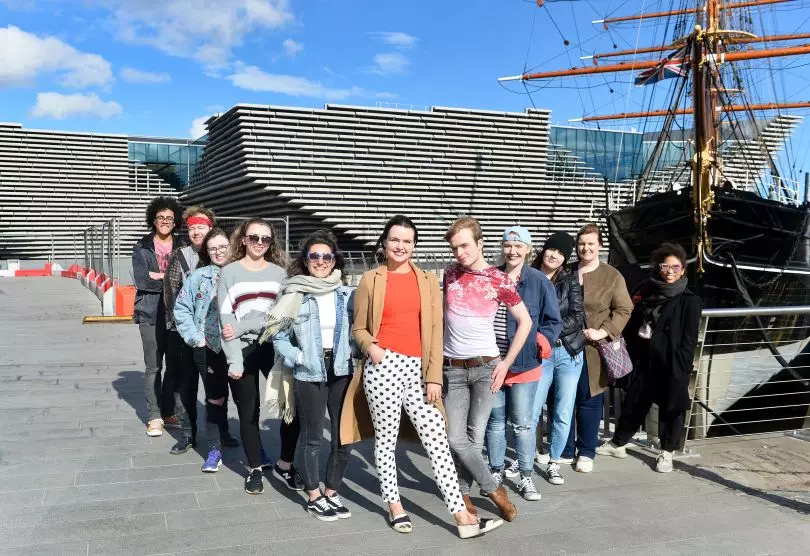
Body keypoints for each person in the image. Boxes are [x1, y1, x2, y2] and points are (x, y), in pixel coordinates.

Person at [345, 215, 499, 539]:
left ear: (414, 245)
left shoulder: (427, 280)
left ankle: (461, 516)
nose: (400, 246)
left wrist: (434, 377)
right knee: (386, 442)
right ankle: (395, 505)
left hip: (417, 371)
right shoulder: (371, 279)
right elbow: (358, 327)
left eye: (407, 241)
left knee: (437, 440)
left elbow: (434, 328)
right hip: (382, 367)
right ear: (384, 242)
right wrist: (372, 348)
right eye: (395, 240)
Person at [443, 217, 533, 522]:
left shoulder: (499, 280)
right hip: (453, 369)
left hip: (486, 368)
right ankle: (494, 488)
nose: (460, 253)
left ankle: (463, 493)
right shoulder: (450, 275)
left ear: (480, 243)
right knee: (456, 438)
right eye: (455, 247)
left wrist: (506, 363)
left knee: (475, 438)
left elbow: (526, 322)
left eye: (465, 245)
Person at [596, 242, 701, 473]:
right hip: (645, 358)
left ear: (683, 269)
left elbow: (689, 337)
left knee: (671, 408)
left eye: (676, 267)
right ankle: (619, 443)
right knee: (635, 401)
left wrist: (682, 364)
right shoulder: (646, 291)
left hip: (672, 361)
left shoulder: (689, 300)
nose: (670, 271)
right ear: (658, 267)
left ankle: (667, 452)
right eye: (665, 266)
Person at [271, 230, 354, 521]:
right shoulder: (294, 292)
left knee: (343, 437)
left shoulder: (346, 293)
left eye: (326, 256)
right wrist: (299, 357)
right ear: (306, 261)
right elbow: (278, 336)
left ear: (334, 261)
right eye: (314, 256)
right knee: (313, 436)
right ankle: (313, 495)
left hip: (341, 369)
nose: (321, 261)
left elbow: (358, 332)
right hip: (309, 370)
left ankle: (331, 491)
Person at [218, 218, 301, 494]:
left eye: (265, 239)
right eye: (254, 238)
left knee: (290, 408)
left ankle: (285, 465)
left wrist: (246, 324)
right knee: (248, 412)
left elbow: (280, 317)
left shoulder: (280, 274)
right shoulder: (229, 273)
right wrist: (235, 360)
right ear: (243, 239)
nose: (260, 244)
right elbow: (225, 320)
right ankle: (254, 469)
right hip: (241, 349)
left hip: (274, 345)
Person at [484, 226, 561, 501]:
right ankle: (495, 470)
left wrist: (541, 339)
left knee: (523, 424)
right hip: (492, 361)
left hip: (525, 364)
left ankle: (526, 476)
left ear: (528, 250)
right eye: (508, 246)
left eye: (519, 246)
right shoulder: (491, 277)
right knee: (495, 422)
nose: (513, 251)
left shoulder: (540, 281)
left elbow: (554, 320)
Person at [164, 206, 238, 454]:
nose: (196, 231)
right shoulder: (180, 255)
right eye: (192, 227)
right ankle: (188, 434)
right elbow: (173, 295)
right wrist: (190, 333)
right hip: (184, 332)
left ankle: (222, 430)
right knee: (185, 387)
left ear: (211, 228)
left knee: (217, 387)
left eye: (201, 226)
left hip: (217, 338)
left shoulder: (227, 260)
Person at [561, 223, 633, 473]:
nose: (585, 248)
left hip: (593, 347)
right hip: (566, 346)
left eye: (591, 243)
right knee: (564, 398)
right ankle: (565, 448)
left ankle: (586, 451)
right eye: (581, 243)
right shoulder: (566, 271)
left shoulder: (611, 275)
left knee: (589, 398)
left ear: (599, 245)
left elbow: (624, 309)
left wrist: (604, 332)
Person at [530, 231, 586, 486]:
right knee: (531, 410)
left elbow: (577, 316)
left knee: (563, 410)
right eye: (552, 250)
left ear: (565, 259)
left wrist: (548, 331)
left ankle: (554, 462)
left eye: (561, 253)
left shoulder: (571, 281)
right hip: (539, 352)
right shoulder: (529, 276)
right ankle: (524, 460)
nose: (554, 255)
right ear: (544, 250)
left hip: (568, 352)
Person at [132, 196, 183, 437]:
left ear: (175, 222)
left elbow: (187, 280)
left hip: (177, 314)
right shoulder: (142, 246)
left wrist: (158, 276)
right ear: (154, 220)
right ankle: (154, 416)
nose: (165, 221)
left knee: (174, 367)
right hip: (150, 312)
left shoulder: (183, 246)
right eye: (161, 217)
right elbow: (142, 281)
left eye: (169, 218)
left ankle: (168, 411)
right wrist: (169, 280)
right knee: (154, 367)